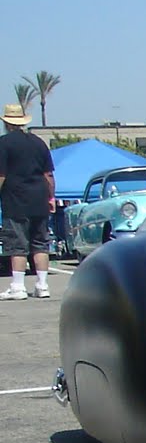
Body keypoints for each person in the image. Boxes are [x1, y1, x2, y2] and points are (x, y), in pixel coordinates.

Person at [0, 103, 56, 299]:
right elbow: (48, 174)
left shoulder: (4, 143)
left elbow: (1, 175)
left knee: (18, 243)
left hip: (16, 200)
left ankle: (18, 286)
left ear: (6, 123)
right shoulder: (38, 143)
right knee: (41, 243)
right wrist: (51, 197)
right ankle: (42, 285)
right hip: (39, 198)